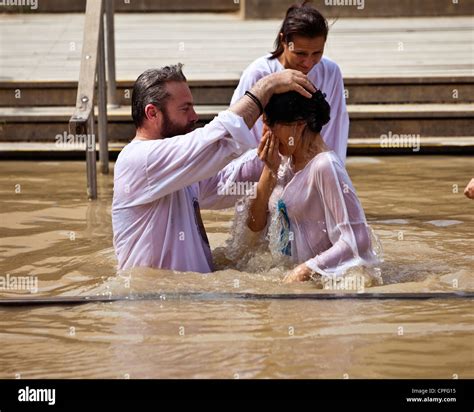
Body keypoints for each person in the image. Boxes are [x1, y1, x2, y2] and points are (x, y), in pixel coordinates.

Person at [112, 63, 316, 273]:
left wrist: (274, 146)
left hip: (186, 300)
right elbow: (219, 139)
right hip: (158, 303)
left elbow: (226, 183)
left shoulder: (179, 167)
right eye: (185, 108)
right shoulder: (138, 159)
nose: (194, 116)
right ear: (152, 113)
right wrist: (267, 86)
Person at [243, 89, 380, 283]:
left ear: (298, 126)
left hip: (321, 288)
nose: (266, 133)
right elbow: (254, 226)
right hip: (295, 280)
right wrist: (269, 170)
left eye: (270, 125)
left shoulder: (325, 166)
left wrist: (305, 270)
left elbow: (357, 241)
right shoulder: (284, 163)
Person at [231, 1, 349, 163]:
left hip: (313, 166)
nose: (308, 62)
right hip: (261, 167)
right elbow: (240, 132)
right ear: (284, 41)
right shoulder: (258, 74)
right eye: (300, 53)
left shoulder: (330, 71)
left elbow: (336, 129)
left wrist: (331, 169)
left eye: (317, 53)